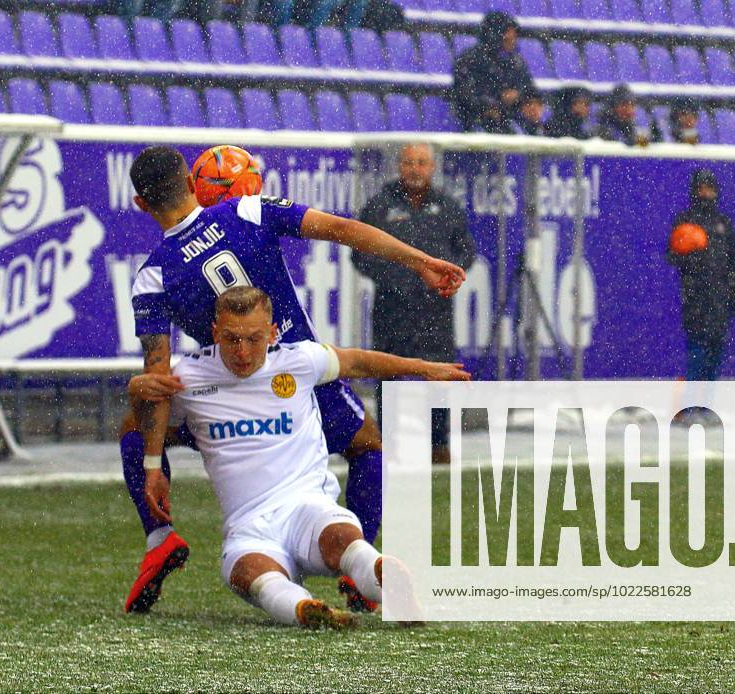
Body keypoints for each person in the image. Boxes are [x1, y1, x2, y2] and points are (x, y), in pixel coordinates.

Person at [121, 145, 467, 614]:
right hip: (296, 373)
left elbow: (158, 382)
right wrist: (418, 260)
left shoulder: (153, 275)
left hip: (224, 395)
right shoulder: (246, 211)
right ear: (189, 184)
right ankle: (358, 569)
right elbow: (342, 230)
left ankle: (159, 536)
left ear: (141, 204)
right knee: (367, 445)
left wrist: (152, 465)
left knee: (133, 424)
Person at [131, 287, 469, 627]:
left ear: (272, 333)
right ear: (215, 332)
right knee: (249, 573)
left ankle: (386, 578)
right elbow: (143, 423)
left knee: (344, 541)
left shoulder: (299, 360)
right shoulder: (187, 378)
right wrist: (138, 400)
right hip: (249, 527)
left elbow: (357, 361)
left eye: (254, 339)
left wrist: (423, 369)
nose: (243, 351)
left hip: (309, 508)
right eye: (232, 339)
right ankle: (305, 609)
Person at [352, 142, 475, 465]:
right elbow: (360, 254)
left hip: (435, 309)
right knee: (388, 373)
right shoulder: (380, 206)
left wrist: (448, 275)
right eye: (409, 162)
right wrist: (396, 279)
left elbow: (466, 251)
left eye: (421, 163)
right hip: (392, 308)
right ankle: (389, 444)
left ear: (432, 167)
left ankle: (439, 445)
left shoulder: (447, 207)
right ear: (399, 166)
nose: (415, 169)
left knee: (439, 375)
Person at [667, 170, 735, 382]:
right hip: (696, 302)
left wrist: (734, 295)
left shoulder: (723, 223)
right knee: (697, 356)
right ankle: (690, 401)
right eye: (702, 189)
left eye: (710, 189)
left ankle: (706, 402)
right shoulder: (685, 220)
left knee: (715, 359)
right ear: (695, 191)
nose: (706, 193)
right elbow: (672, 256)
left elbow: (732, 263)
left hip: (719, 303)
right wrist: (692, 257)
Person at [452, 11, 535, 133]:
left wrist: (522, 98)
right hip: (477, 120)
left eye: (513, 36)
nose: (512, 40)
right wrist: (494, 101)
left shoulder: (516, 61)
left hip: (512, 119)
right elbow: (465, 94)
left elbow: (529, 88)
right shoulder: (469, 60)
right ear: (495, 35)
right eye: (507, 36)